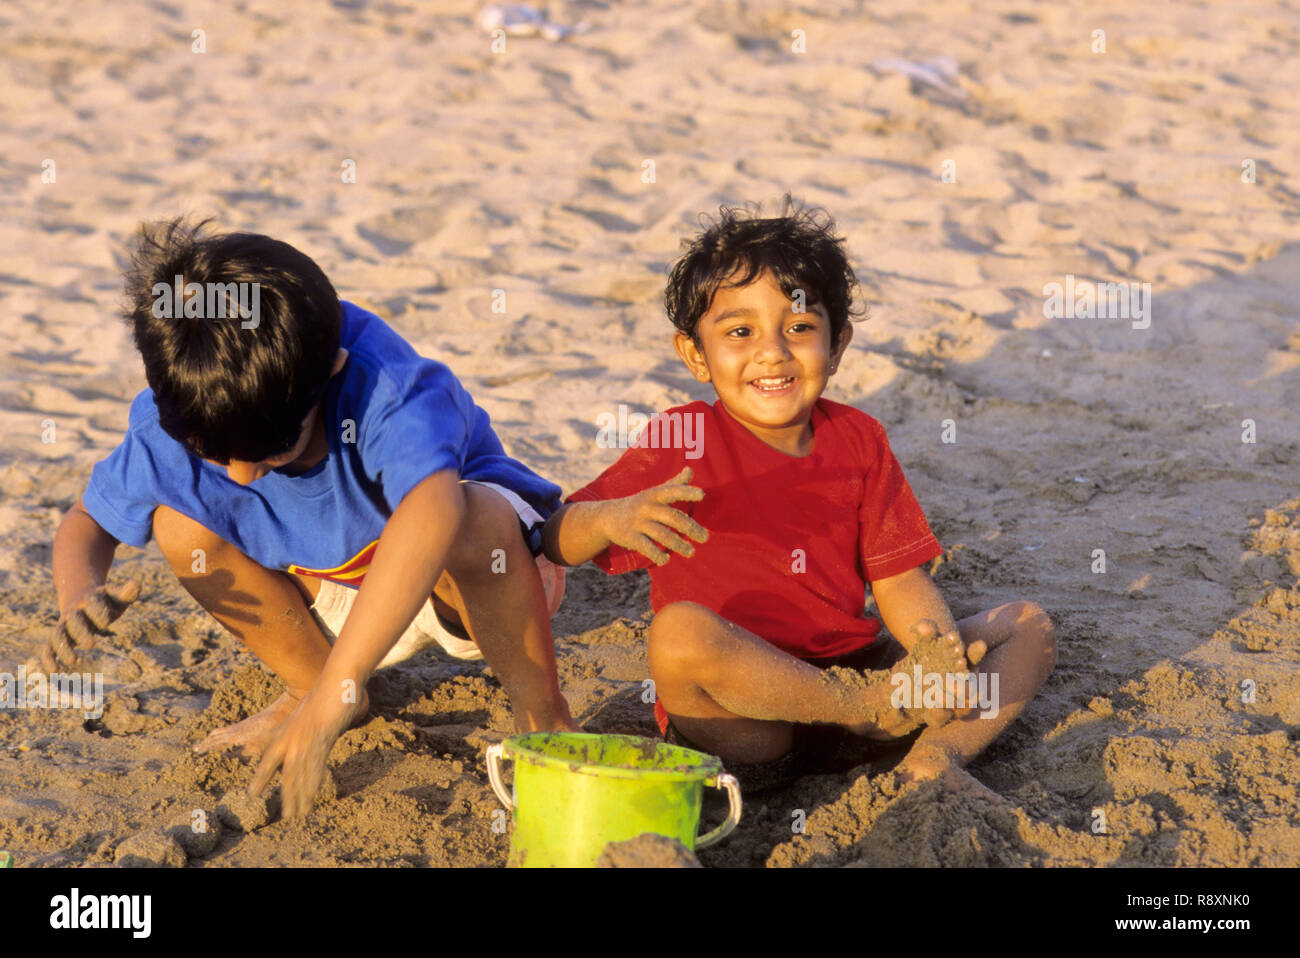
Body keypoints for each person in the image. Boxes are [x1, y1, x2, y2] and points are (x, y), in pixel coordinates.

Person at [45, 218, 577, 817]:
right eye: (217, 457)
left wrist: (335, 695)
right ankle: (310, 682)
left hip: (476, 585)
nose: (243, 476)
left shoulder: (384, 384)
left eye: (273, 451)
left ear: (332, 372)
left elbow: (434, 512)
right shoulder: (193, 408)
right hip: (338, 588)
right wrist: (78, 595)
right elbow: (87, 523)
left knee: (469, 516)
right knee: (179, 524)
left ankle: (544, 720)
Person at [543, 200, 1056, 793]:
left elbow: (896, 580)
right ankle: (864, 707)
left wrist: (932, 658)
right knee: (678, 634)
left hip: (860, 679)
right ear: (694, 353)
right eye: (740, 332)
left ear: (837, 346)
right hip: (747, 722)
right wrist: (614, 517)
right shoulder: (680, 438)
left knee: (1027, 626)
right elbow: (558, 541)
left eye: (800, 328)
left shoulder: (859, 440)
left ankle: (934, 760)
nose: (772, 352)